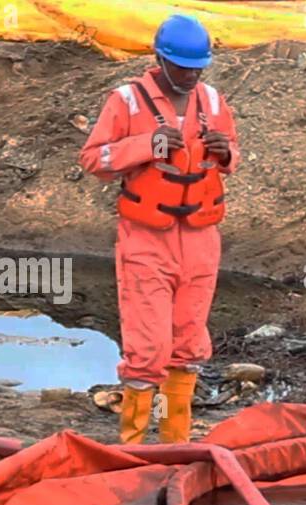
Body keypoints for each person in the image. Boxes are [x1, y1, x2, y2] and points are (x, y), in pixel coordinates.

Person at [79, 13, 239, 444]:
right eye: (183, 67)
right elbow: (94, 159)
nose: (191, 76)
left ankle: (174, 442)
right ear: (160, 59)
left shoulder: (213, 100)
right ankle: (132, 447)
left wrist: (226, 154)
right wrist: (145, 146)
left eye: (198, 67)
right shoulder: (127, 101)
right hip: (146, 239)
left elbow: (231, 155)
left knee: (187, 348)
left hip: (202, 239)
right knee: (146, 349)